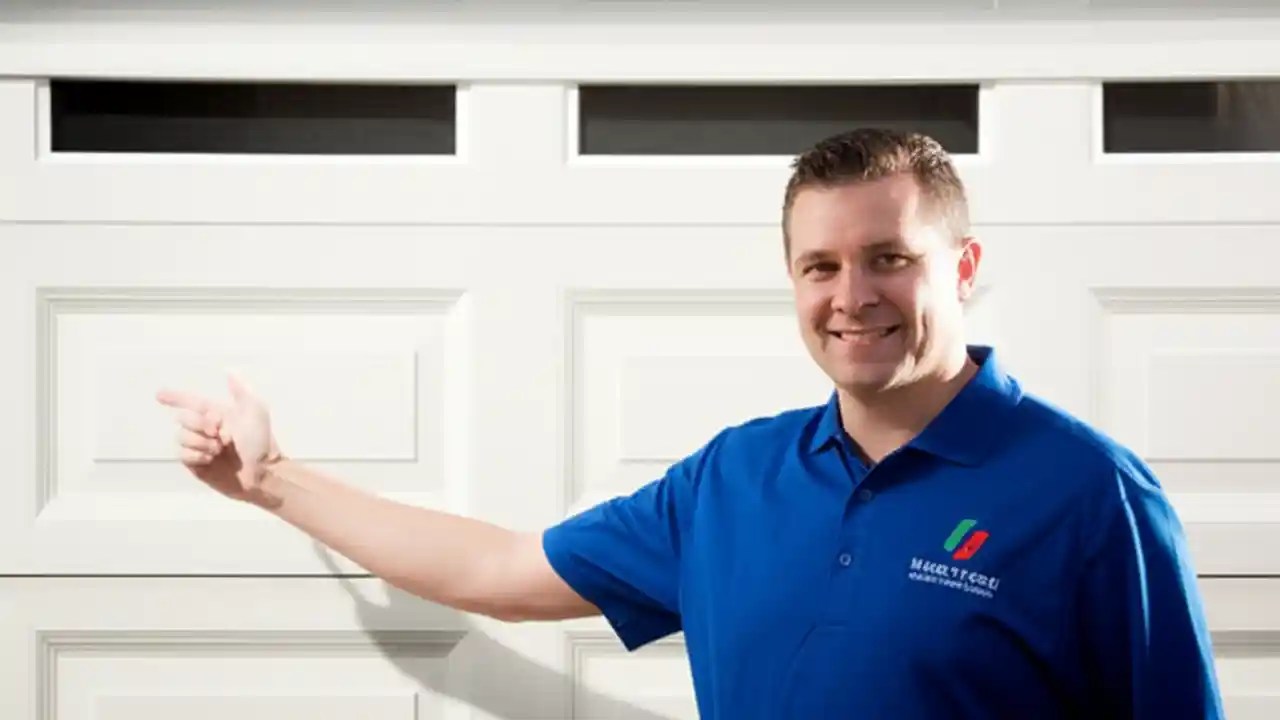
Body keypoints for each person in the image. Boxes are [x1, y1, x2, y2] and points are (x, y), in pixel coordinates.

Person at [157, 127, 1224, 719]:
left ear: (964, 267)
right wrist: (272, 478)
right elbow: (503, 572)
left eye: (889, 258)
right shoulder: (734, 480)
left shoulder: (1089, 495)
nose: (851, 295)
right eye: (819, 265)